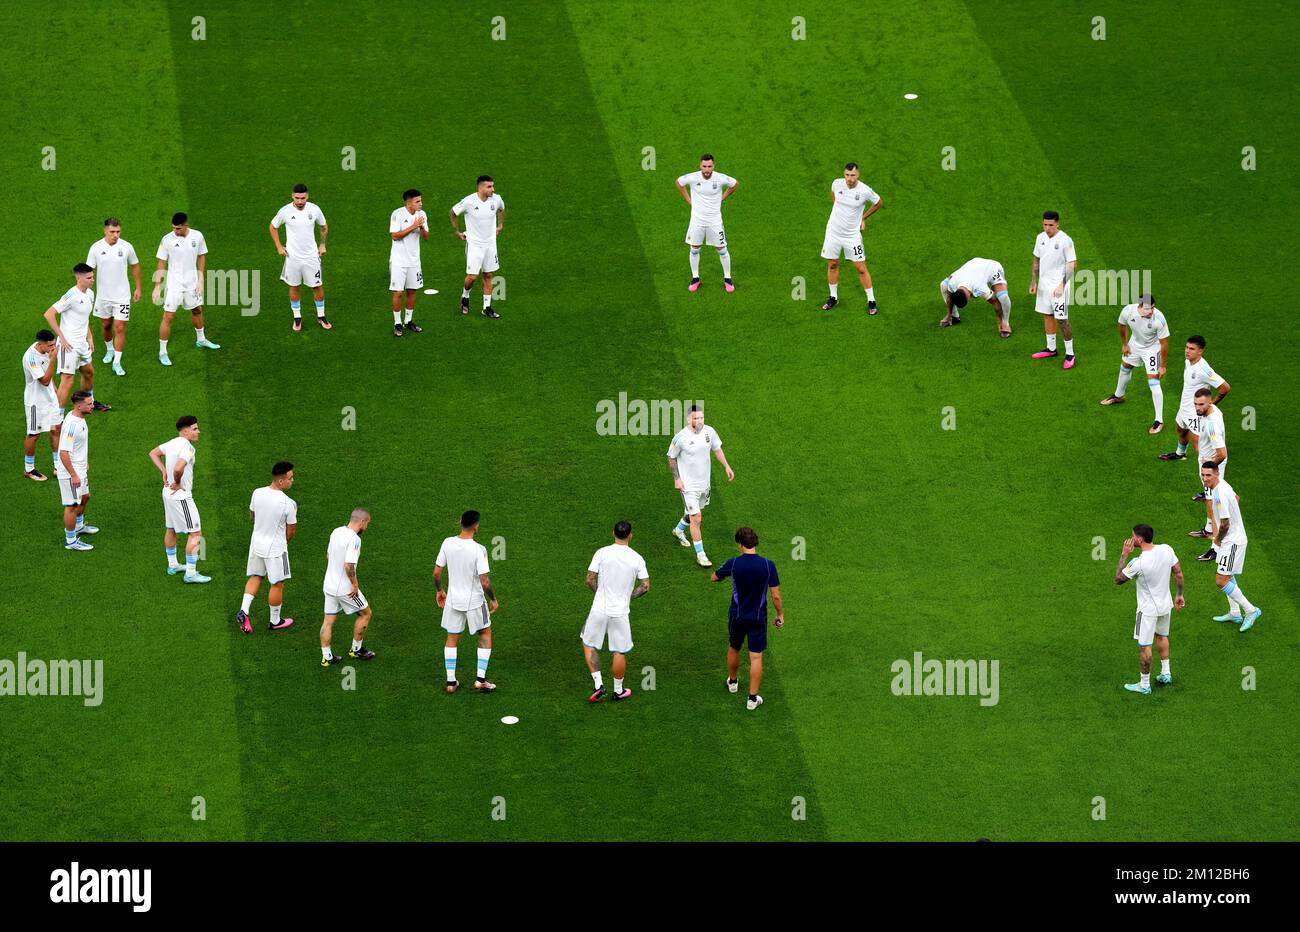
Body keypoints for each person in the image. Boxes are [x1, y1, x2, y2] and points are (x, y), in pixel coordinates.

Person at [711, 527, 783, 711]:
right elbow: (775, 595)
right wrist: (780, 614)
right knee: (756, 657)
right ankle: (752, 699)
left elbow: (714, 577)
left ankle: (733, 682)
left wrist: (723, 575)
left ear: (740, 544)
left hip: (737, 614)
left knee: (734, 648)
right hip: (758, 616)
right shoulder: (768, 565)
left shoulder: (734, 563)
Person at [582, 520, 649, 702]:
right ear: (630, 535)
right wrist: (628, 597)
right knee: (619, 651)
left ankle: (598, 685)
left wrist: (599, 593)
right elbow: (645, 586)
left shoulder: (602, 553)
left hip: (599, 608)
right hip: (620, 612)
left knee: (589, 644)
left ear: (613, 533)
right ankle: (618, 690)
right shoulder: (637, 558)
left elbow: (589, 579)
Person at [1114, 524, 1183, 695]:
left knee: (1145, 646)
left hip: (1146, 611)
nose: (1131, 539)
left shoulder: (1138, 563)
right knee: (1162, 636)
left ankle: (1144, 685)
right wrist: (1179, 595)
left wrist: (1124, 554)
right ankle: (1166, 673)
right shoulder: (1167, 549)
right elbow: (1178, 573)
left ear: (1139, 539)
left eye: (1133, 536)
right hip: (1165, 605)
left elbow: (1118, 579)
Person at [435, 511, 499, 693]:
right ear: (476, 526)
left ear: (460, 522)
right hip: (475, 602)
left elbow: (437, 573)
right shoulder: (479, 550)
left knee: (452, 638)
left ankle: (450, 682)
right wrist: (493, 599)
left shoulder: (447, 543)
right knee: (485, 633)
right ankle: (480, 680)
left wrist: (440, 591)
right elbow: (484, 580)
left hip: (453, 601)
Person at [667, 405, 734, 567]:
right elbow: (671, 458)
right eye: (696, 418)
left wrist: (726, 465)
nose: (699, 421)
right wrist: (677, 479)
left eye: (701, 418)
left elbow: (717, 449)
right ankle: (701, 555)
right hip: (688, 486)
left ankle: (678, 530)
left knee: (693, 514)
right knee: (697, 518)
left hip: (705, 484)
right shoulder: (680, 437)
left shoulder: (709, 432)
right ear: (689, 419)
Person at [148, 415, 210, 583]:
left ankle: (173, 565)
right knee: (196, 533)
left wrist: (163, 471)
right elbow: (178, 467)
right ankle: (190, 573)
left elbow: (153, 453)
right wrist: (176, 481)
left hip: (167, 493)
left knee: (170, 528)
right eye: (195, 429)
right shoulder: (188, 448)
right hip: (180, 496)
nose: (198, 431)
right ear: (185, 431)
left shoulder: (172, 443)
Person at [237, 461, 298, 634]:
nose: (292, 481)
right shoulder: (288, 504)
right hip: (276, 549)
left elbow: (252, 515)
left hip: (256, 543)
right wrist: (283, 542)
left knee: (256, 576)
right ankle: (275, 620)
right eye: (290, 478)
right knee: (277, 583)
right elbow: (291, 530)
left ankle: (244, 610)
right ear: (281, 481)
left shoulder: (257, 493)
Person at [1201, 464, 1261, 632]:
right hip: (1230, 540)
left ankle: (1251, 610)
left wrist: (1217, 541)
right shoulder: (1223, 484)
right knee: (1228, 576)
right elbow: (1237, 498)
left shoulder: (1219, 494)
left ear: (1216, 474)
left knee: (1221, 580)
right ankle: (1235, 613)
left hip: (1232, 541)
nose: (1205, 478)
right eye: (1203, 474)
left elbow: (1225, 524)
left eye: (1208, 475)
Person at [154, 212, 219, 365]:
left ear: (185, 225)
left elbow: (201, 256)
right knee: (168, 317)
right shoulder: (167, 240)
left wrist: (200, 279)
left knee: (197, 310)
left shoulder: (197, 236)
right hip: (174, 285)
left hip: (192, 284)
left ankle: (201, 339)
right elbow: (161, 262)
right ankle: (162, 352)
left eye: (178, 228)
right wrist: (157, 286)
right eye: (173, 228)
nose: (175, 231)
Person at [1099, 293, 1168, 434]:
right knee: (1125, 366)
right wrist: (1124, 344)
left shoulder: (1159, 319)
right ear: (1140, 307)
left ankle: (1159, 420)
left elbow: (1164, 343)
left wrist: (1162, 365)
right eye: (1148, 309)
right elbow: (1122, 325)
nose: (1151, 311)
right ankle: (1119, 396)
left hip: (1152, 350)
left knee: (1153, 382)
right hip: (1135, 344)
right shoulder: (1127, 311)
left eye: (1153, 308)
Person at [818, 162, 882, 314]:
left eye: (852, 175)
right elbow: (834, 197)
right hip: (833, 232)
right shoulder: (837, 184)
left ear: (858, 175)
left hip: (852, 236)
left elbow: (879, 203)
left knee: (860, 268)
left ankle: (871, 301)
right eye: (847, 175)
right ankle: (833, 297)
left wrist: (863, 218)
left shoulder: (865, 191)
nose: (849, 178)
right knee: (832, 264)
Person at [43, 263, 108, 410]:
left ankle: (88, 402)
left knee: (89, 372)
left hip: (82, 344)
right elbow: (49, 314)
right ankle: (57, 416)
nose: (93, 280)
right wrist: (63, 338)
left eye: (93, 277)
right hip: (69, 345)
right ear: (79, 278)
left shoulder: (90, 294)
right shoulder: (71, 295)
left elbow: (83, 319)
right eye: (89, 278)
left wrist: (89, 337)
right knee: (68, 380)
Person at [270, 184, 330, 331]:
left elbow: (323, 226)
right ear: (292, 196)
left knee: (317, 286)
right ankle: (297, 317)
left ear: (307, 196)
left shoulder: (314, 209)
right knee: (294, 286)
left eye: (303, 198)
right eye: (297, 198)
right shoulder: (285, 211)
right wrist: (279, 246)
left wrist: (322, 245)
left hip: (311, 257)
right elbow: (272, 226)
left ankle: (321, 316)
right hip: (293, 257)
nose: (300, 201)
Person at [1160, 335, 1230, 462]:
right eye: (1186, 347)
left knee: (1199, 446)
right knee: (1181, 430)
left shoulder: (1204, 370)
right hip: (1184, 407)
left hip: (1195, 411)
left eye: (1191, 349)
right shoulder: (1188, 361)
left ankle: (1209, 469)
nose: (1187, 351)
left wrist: (1210, 405)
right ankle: (1180, 453)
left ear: (1200, 351)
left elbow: (1225, 387)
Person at [676, 154, 739, 292]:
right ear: (700, 166)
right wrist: (689, 201)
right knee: (694, 248)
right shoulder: (693, 177)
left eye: (709, 166)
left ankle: (728, 278)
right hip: (697, 221)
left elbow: (735, 184)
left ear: (713, 166)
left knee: (722, 249)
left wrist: (723, 198)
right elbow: (679, 183)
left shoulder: (720, 178)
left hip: (715, 221)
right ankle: (695, 278)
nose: (707, 169)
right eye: (704, 166)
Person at [321, 508, 376, 666]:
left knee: (328, 620)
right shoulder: (354, 539)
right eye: (367, 524)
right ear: (362, 522)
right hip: (345, 589)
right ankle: (356, 650)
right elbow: (348, 565)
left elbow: (328, 555)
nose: (366, 527)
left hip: (329, 585)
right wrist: (354, 584)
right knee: (365, 613)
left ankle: (327, 657)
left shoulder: (336, 531)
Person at [87, 217, 142, 376]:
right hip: (103, 297)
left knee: (119, 327)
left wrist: (138, 287)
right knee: (106, 325)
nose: (115, 235)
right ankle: (109, 349)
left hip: (122, 296)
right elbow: (89, 269)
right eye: (112, 232)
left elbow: (135, 265)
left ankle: (117, 362)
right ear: (105, 231)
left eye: (118, 232)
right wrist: (86, 290)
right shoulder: (96, 248)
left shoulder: (127, 247)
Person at [1028, 210, 1078, 368]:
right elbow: (1036, 260)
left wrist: (1062, 285)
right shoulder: (1040, 238)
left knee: (1062, 319)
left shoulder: (1066, 240)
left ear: (1057, 224)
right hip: (1044, 285)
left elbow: (1072, 264)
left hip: (1059, 286)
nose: (1047, 228)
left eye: (1050, 225)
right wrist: (1033, 282)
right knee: (1047, 315)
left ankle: (1070, 354)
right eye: (1045, 224)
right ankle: (1051, 349)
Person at [451, 175, 505, 319]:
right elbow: (453, 213)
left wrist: (500, 225)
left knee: (488, 275)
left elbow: (501, 209)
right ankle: (465, 296)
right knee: (472, 277)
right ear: (480, 187)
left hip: (490, 243)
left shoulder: (496, 199)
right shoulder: (469, 201)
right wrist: (457, 231)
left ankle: (486, 307)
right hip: (474, 244)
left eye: (492, 186)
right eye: (489, 186)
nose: (492, 189)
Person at [56, 391, 96, 550]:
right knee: (72, 505)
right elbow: (63, 452)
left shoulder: (78, 417)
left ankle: (79, 526)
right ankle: (71, 541)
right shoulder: (73, 427)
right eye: (89, 404)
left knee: (85, 497)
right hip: (70, 472)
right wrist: (73, 474)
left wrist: (84, 463)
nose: (93, 406)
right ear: (79, 406)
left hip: (79, 468)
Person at [22, 329, 61, 481]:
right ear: (40, 344)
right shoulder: (31, 358)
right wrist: (52, 360)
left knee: (56, 429)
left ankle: (58, 466)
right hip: (35, 402)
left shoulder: (47, 349)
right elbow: (44, 381)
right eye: (50, 345)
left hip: (50, 399)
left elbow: (49, 380)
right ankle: (29, 469)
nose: (52, 348)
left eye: (53, 345)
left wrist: (55, 388)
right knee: (34, 435)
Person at [388, 189, 428, 336]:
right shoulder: (396, 214)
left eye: (421, 201)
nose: (421, 204)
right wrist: (413, 226)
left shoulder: (422, 215)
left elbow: (426, 237)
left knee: (412, 291)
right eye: (417, 201)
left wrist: (422, 227)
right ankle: (397, 323)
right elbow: (395, 236)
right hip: (399, 261)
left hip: (414, 261)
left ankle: (409, 321)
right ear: (409, 202)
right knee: (398, 292)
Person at [939, 258, 1011, 337]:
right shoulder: (952, 283)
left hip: (992, 267)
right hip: (972, 265)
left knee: (1003, 297)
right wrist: (949, 314)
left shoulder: (980, 288)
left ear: (968, 297)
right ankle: (954, 316)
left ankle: (1005, 323)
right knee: (943, 285)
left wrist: (999, 321)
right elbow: (950, 296)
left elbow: (995, 302)